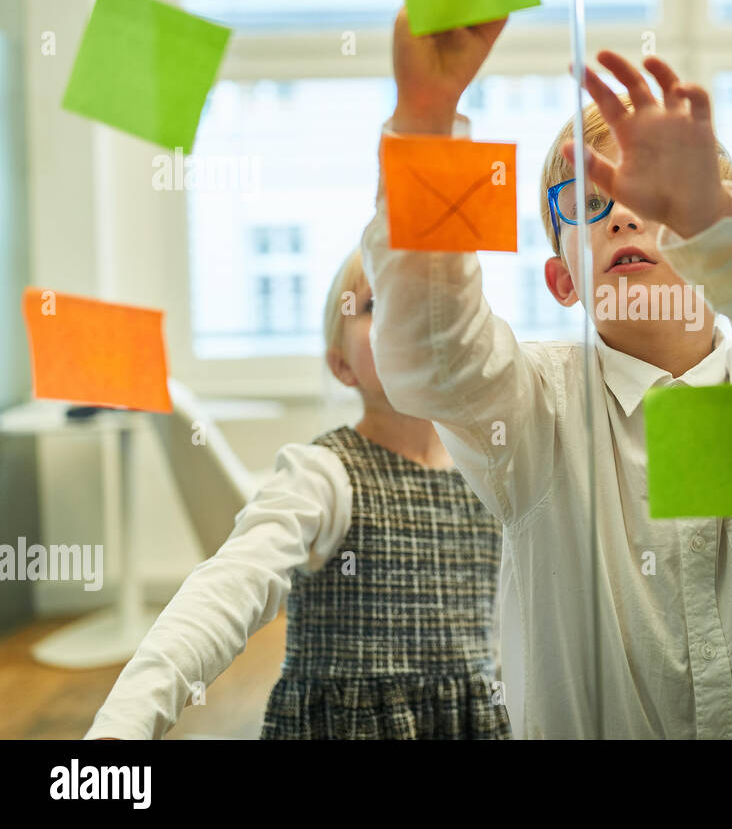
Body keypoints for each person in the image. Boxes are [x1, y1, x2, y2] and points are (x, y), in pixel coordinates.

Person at [360, 9, 732, 738]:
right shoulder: (533, 409)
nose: (619, 218)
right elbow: (431, 353)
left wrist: (715, 228)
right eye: (586, 205)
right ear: (562, 280)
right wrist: (425, 120)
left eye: (651, 196)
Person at [85, 249, 510, 739]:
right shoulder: (325, 474)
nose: (406, 311)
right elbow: (228, 587)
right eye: (375, 303)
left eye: (425, 297)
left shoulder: (490, 472)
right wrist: (125, 724)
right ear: (342, 366)